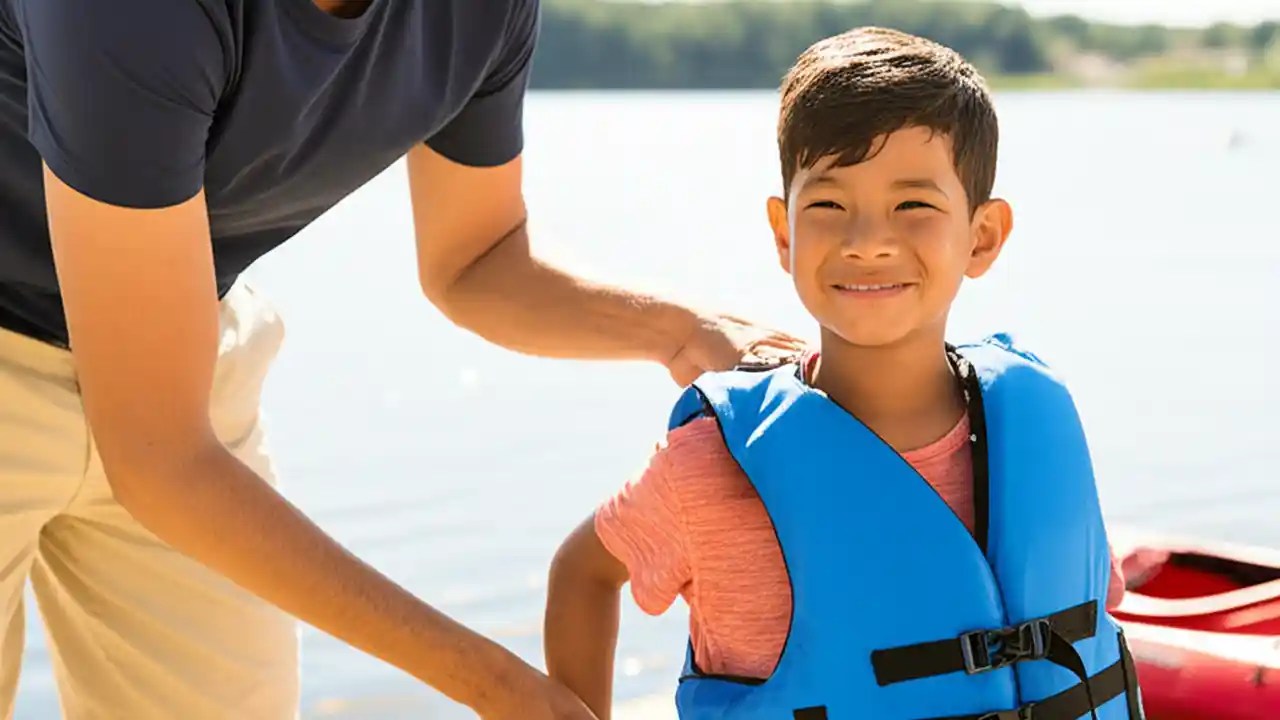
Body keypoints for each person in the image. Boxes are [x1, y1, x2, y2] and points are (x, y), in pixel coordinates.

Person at [0, 0, 802, 718]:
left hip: (182, 350)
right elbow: (161, 457)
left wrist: (685, 329)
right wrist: (495, 685)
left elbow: (476, 258)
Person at [543, 27, 1145, 720]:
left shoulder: (1038, 419)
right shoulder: (711, 467)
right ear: (783, 233)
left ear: (982, 237)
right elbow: (584, 574)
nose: (868, 242)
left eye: (913, 206)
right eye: (828, 206)